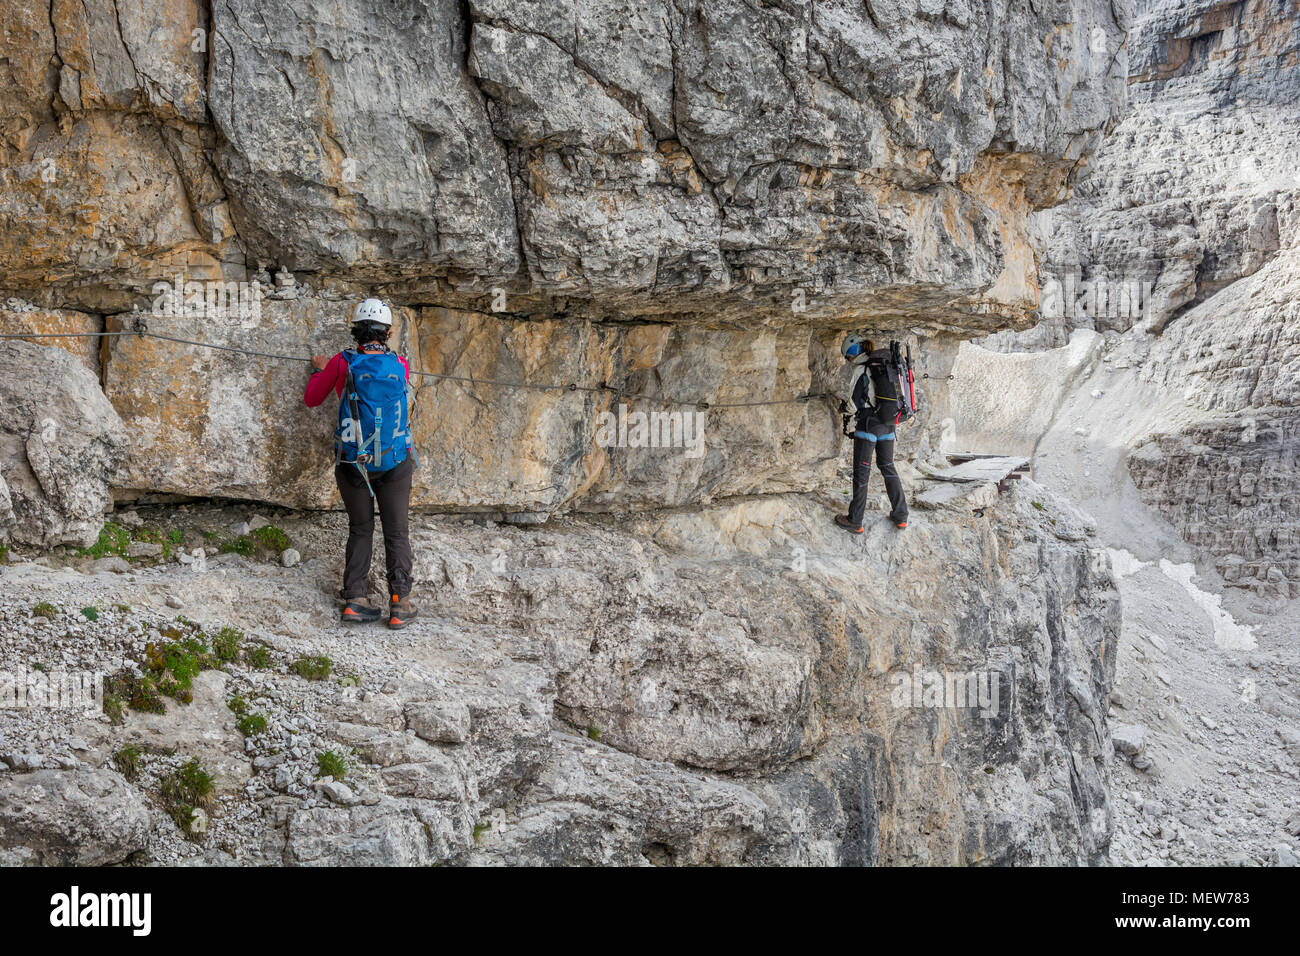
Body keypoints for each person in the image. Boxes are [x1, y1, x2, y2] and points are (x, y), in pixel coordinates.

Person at [305, 299, 419, 628]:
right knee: (397, 532)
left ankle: (355, 599)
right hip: (395, 460)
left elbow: (312, 399)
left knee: (360, 527)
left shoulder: (343, 362)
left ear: (354, 329)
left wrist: (319, 370)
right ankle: (400, 603)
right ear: (386, 333)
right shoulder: (399, 363)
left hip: (354, 461)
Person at [835, 332, 909, 534]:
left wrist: (843, 409)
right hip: (888, 423)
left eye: (847, 357)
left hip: (868, 426)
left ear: (853, 353)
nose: (848, 361)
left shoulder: (861, 368)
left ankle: (855, 520)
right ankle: (901, 515)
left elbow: (855, 402)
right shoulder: (883, 366)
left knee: (862, 474)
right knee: (887, 467)